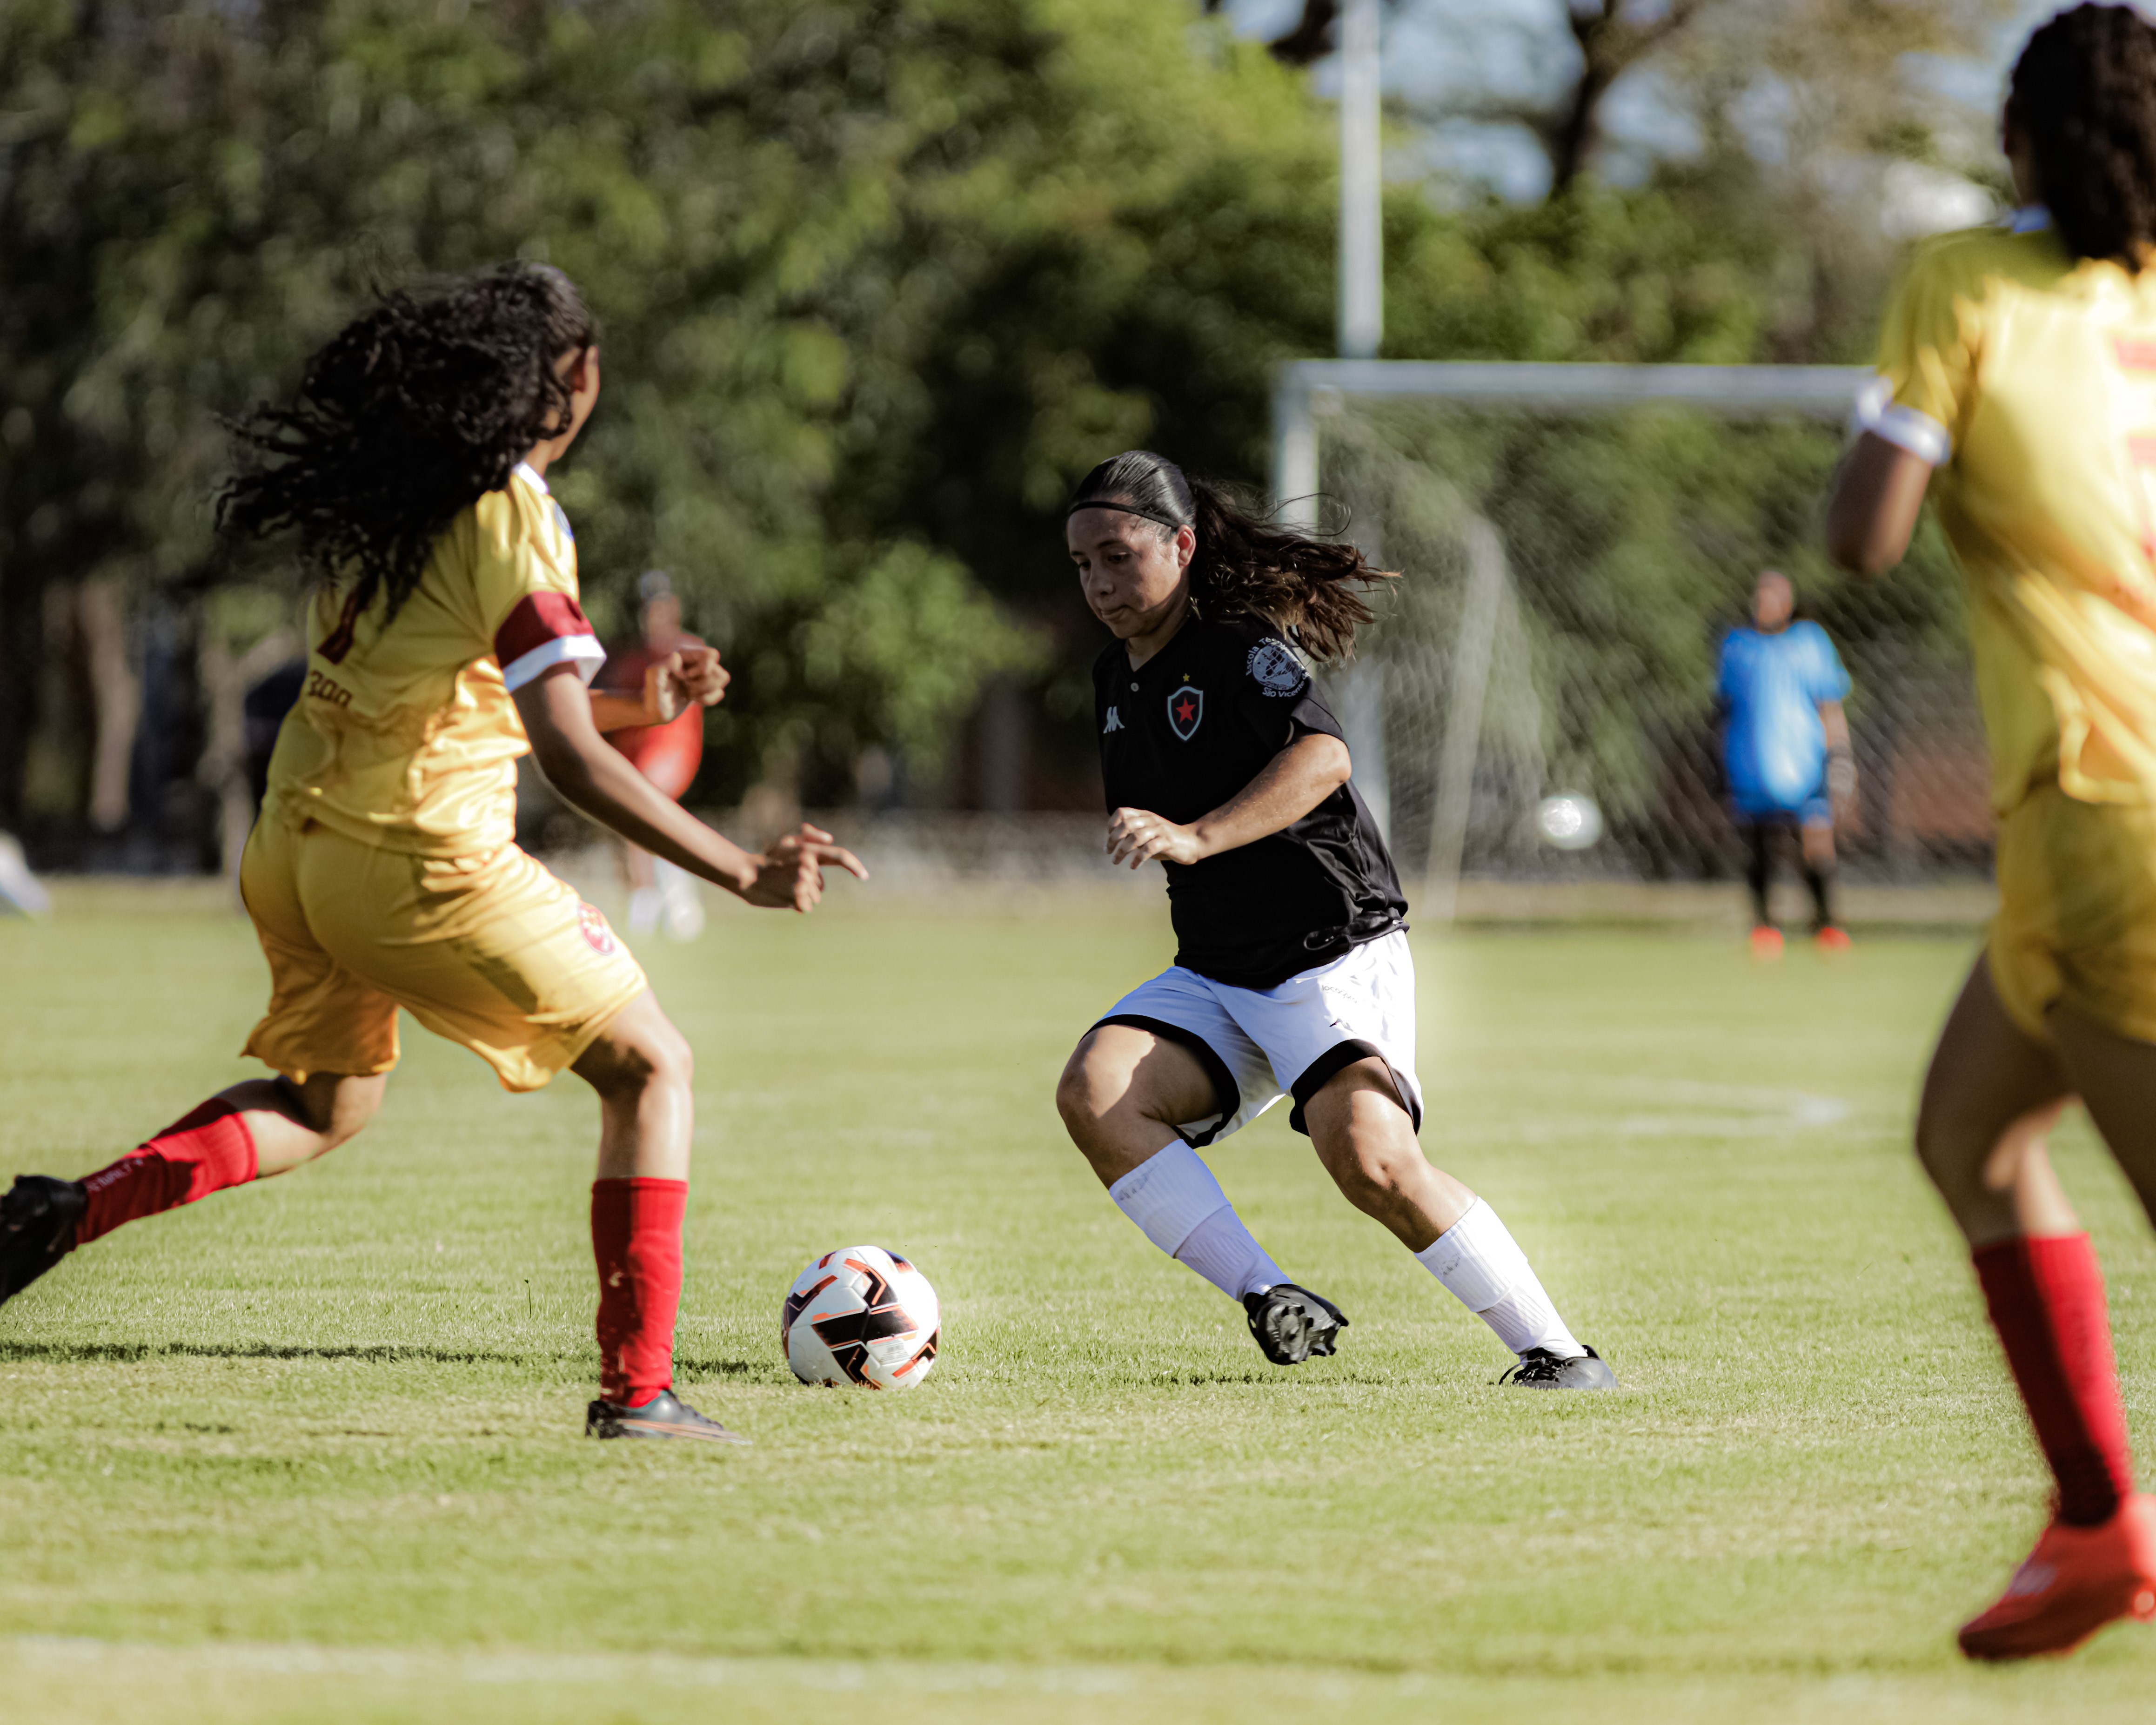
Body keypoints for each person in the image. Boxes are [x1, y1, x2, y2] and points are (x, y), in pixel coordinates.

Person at [0, 263, 864, 1444]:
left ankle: (63, 1211)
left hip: (298, 844)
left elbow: (464, 697)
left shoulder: (391, 505)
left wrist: (635, 694)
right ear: (570, 381)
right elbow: (561, 756)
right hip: (419, 857)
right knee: (651, 1066)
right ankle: (640, 1392)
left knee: (323, 1104)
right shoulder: (513, 510)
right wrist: (740, 869)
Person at [1827, 3, 2156, 1660]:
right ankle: (2098, 1525)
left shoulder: (1964, 285)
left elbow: (1864, 532)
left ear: (2019, 140)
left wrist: (1901, 424)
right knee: (1968, 1137)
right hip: (2074, 833)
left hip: (2118, 813)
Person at [1055, 450, 1614, 1388]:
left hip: (1329, 951)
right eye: (1082, 565)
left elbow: (1322, 757)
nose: (1101, 583)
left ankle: (1556, 1352)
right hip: (1217, 970)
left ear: (1182, 545)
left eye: (1119, 555)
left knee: (1370, 1160)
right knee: (1097, 1088)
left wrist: (1196, 835)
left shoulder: (1239, 648)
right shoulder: (1115, 678)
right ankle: (1269, 1293)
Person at [1715, 570, 1855, 958]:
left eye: (1775, 597)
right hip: (1753, 760)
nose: (1767, 605)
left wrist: (1840, 754)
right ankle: (1764, 927)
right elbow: (1724, 709)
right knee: (1760, 844)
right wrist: (1719, 758)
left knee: (1815, 840)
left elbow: (1829, 705)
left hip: (1805, 760)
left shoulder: (1810, 643)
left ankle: (1827, 923)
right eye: (1761, 596)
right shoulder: (1738, 647)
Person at [598, 570, 714, 941]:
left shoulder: (687, 653)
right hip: (637, 757)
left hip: (671, 753)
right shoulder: (633, 661)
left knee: (637, 810)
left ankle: (646, 901)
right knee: (620, 818)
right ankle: (665, 891)